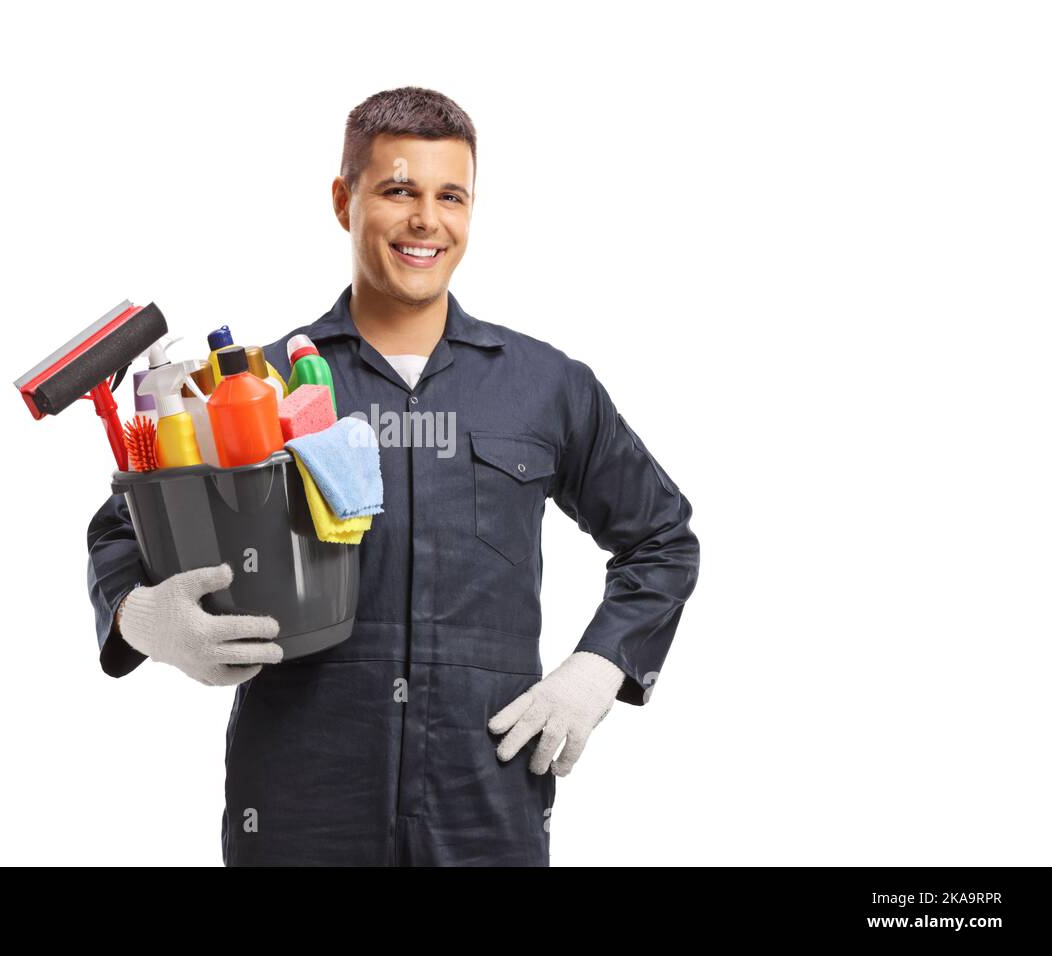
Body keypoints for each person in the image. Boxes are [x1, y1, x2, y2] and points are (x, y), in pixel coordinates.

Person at [86, 86, 700, 866]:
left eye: (451, 196)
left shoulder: (546, 386)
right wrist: (145, 620)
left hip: (488, 799)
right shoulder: (252, 387)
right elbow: (124, 525)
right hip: (299, 803)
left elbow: (662, 539)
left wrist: (600, 665)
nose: (426, 221)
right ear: (344, 201)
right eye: (399, 190)